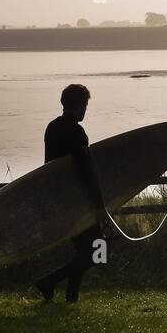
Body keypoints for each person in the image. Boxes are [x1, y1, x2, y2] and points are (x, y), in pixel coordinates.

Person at [36, 84, 109, 303]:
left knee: (86, 251)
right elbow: (86, 169)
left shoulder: (52, 127)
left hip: (58, 198)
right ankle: (48, 282)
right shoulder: (76, 132)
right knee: (99, 250)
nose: (86, 109)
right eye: (86, 104)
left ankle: (70, 298)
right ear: (80, 105)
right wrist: (99, 203)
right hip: (77, 201)